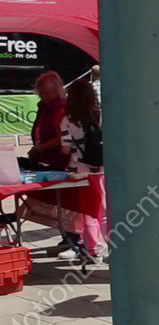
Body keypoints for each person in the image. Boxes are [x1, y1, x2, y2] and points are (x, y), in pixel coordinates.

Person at [24, 71, 81, 259]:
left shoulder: (60, 109)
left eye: (47, 93)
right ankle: (68, 237)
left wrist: (39, 148)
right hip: (49, 161)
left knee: (69, 203)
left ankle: (75, 240)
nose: (44, 97)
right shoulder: (46, 107)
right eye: (41, 93)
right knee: (61, 201)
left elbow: (62, 138)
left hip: (62, 163)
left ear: (56, 91)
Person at [60, 79, 107, 264]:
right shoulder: (101, 115)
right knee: (104, 210)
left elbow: (65, 148)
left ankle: (93, 250)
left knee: (88, 212)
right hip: (103, 169)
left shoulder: (68, 119)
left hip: (80, 171)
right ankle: (112, 245)